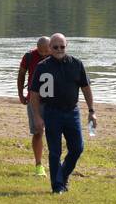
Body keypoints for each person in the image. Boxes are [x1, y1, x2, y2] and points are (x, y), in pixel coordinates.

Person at [32, 33, 96, 194]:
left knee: (77, 148)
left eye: (62, 46)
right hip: (52, 113)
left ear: (66, 46)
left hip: (72, 112)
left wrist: (91, 111)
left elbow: (86, 88)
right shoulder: (42, 67)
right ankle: (57, 186)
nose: (59, 49)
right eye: (55, 47)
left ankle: (63, 174)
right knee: (55, 151)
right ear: (50, 48)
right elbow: (34, 94)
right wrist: (37, 116)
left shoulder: (76, 64)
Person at [18, 36, 52, 178]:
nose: (44, 54)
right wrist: (20, 93)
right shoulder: (29, 56)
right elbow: (21, 75)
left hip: (53, 101)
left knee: (53, 132)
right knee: (38, 132)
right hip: (34, 100)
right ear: (37, 48)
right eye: (41, 51)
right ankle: (38, 165)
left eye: (46, 51)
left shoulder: (56, 55)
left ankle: (54, 162)